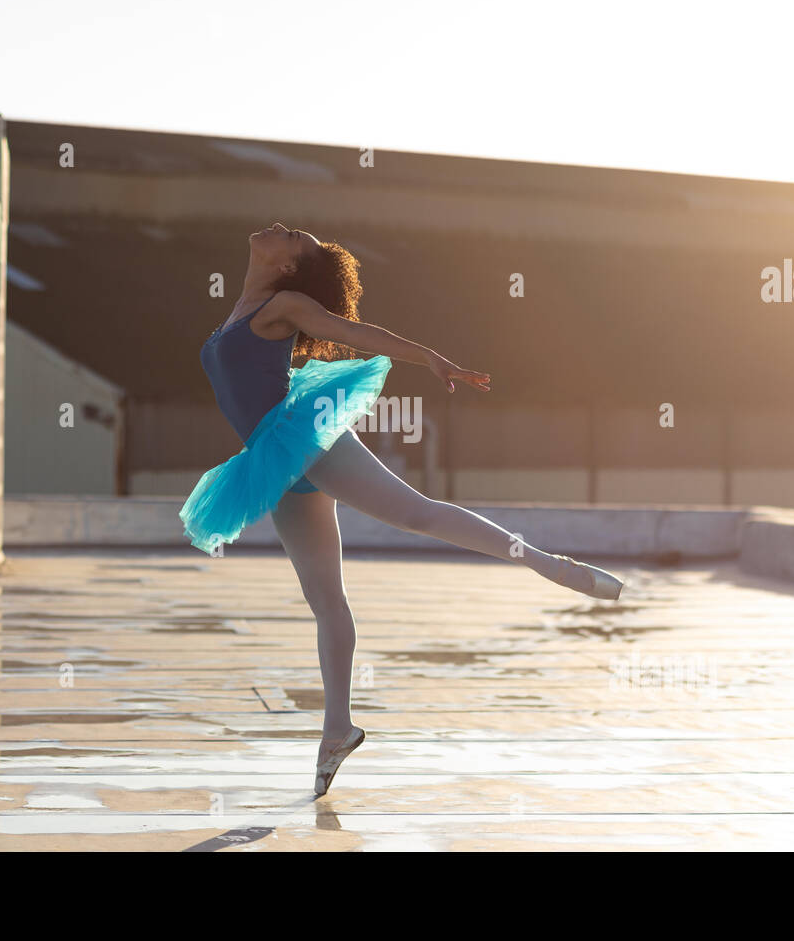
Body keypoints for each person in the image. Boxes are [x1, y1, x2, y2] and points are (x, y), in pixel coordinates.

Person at [181, 222, 624, 796]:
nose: (283, 229)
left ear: (288, 267)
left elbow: (353, 332)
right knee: (326, 600)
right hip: (271, 464)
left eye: (293, 237)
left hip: (303, 439)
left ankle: (551, 564)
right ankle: (336, 730)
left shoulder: (283, 302)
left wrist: (431, 360)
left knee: (417, 513)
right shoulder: (240, 310)